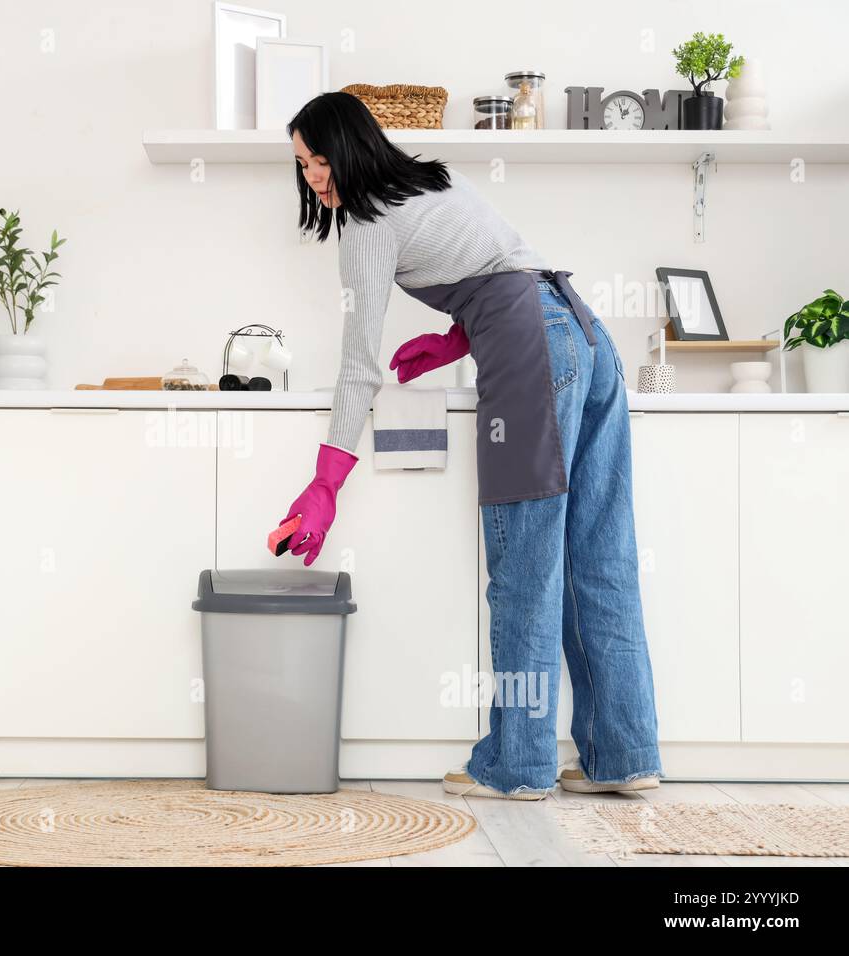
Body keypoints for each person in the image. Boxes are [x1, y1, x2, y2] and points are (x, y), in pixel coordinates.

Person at [280, 91, 663, 800]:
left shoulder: (366, 221)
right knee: (600, 558)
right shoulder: (434, 179)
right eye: (302, 165)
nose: (314, 178)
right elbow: (510, 265)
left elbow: (359, 365)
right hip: (584, 336)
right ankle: (625, 752)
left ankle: (518, 766)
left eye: (321, 160)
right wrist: (458, 336)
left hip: (532, 356)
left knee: (525, 567)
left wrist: (326, 480)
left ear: (352, 148)